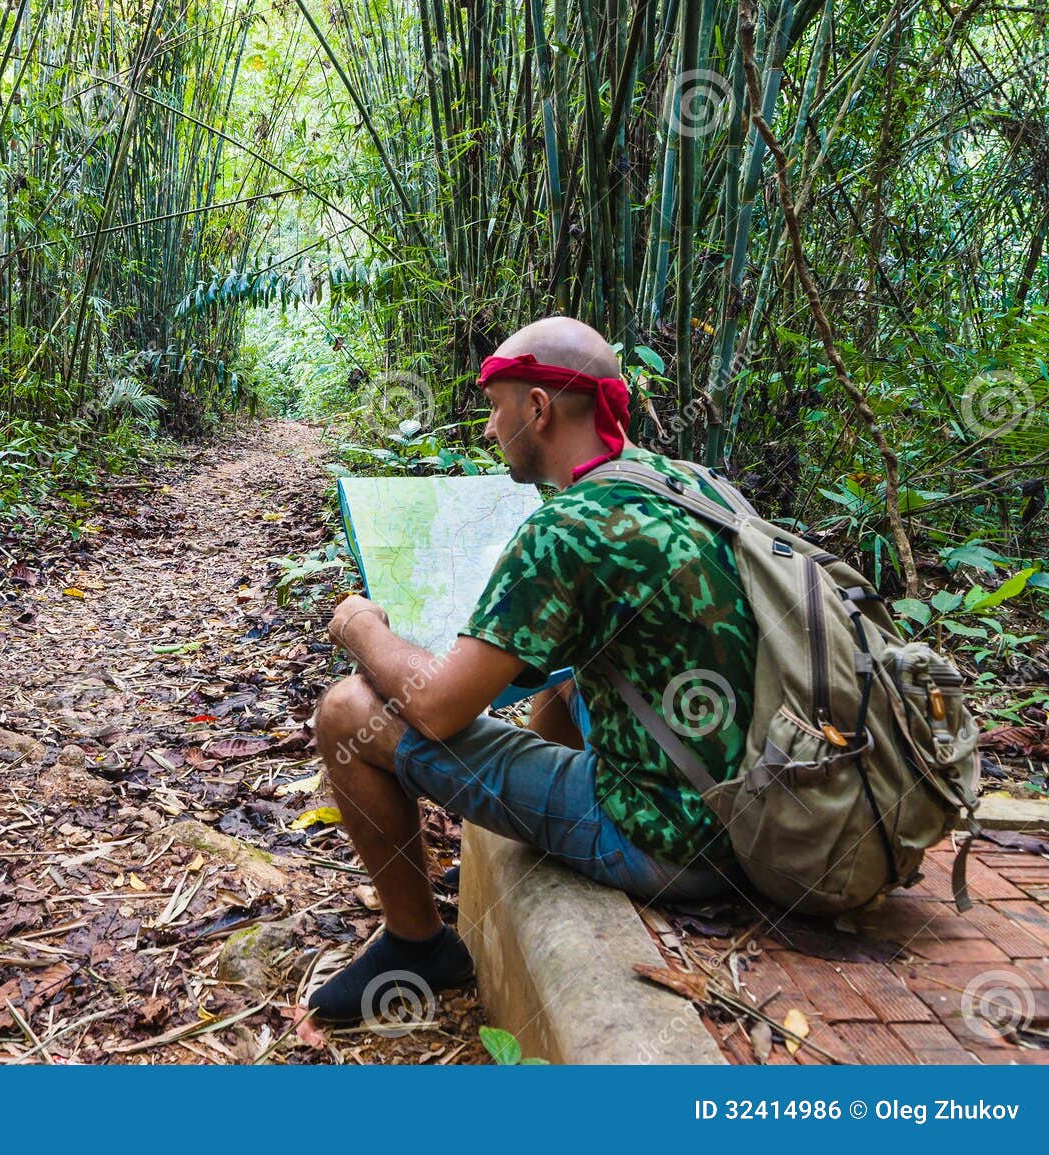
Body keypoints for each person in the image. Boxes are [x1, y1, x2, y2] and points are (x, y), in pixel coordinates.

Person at [306, 315, 757, 1025]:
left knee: (345, 711)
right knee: (575, 672)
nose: (489, 429)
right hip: (752, 808)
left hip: (667, 844)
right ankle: (545, 830)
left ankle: (417, 944)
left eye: (495, 407)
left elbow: (436, 708)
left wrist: (362, 628)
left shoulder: (565, 528)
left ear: (538, 408)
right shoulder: (696, 485)